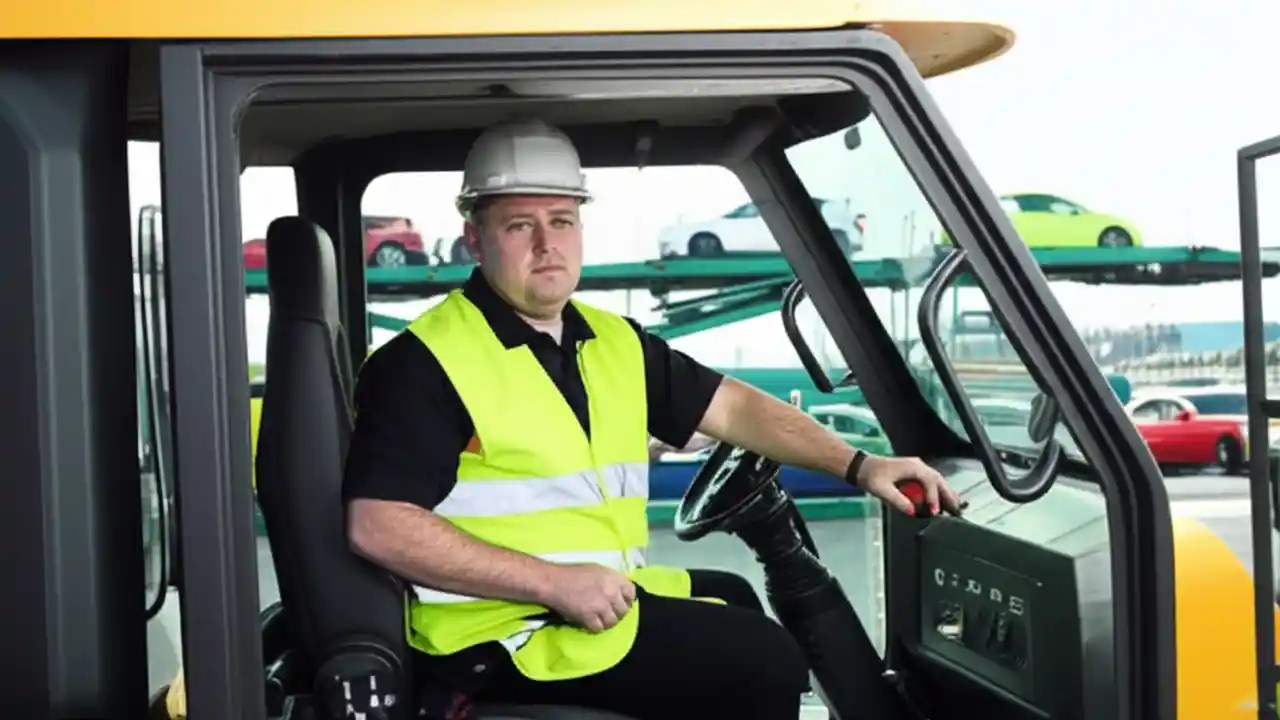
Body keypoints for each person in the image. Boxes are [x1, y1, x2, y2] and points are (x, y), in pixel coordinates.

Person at [341, 118, 963, 720]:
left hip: (586, 601)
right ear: (475, 238)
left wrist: (861, 464)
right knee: (765, 661)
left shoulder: (611, 342)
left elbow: (736, 407)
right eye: (518, 226)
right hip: (496, 634)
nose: (546, 244)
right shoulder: (426, 362)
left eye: (562, 221)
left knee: (735, 595)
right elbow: (379, 525)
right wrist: (553, 583)